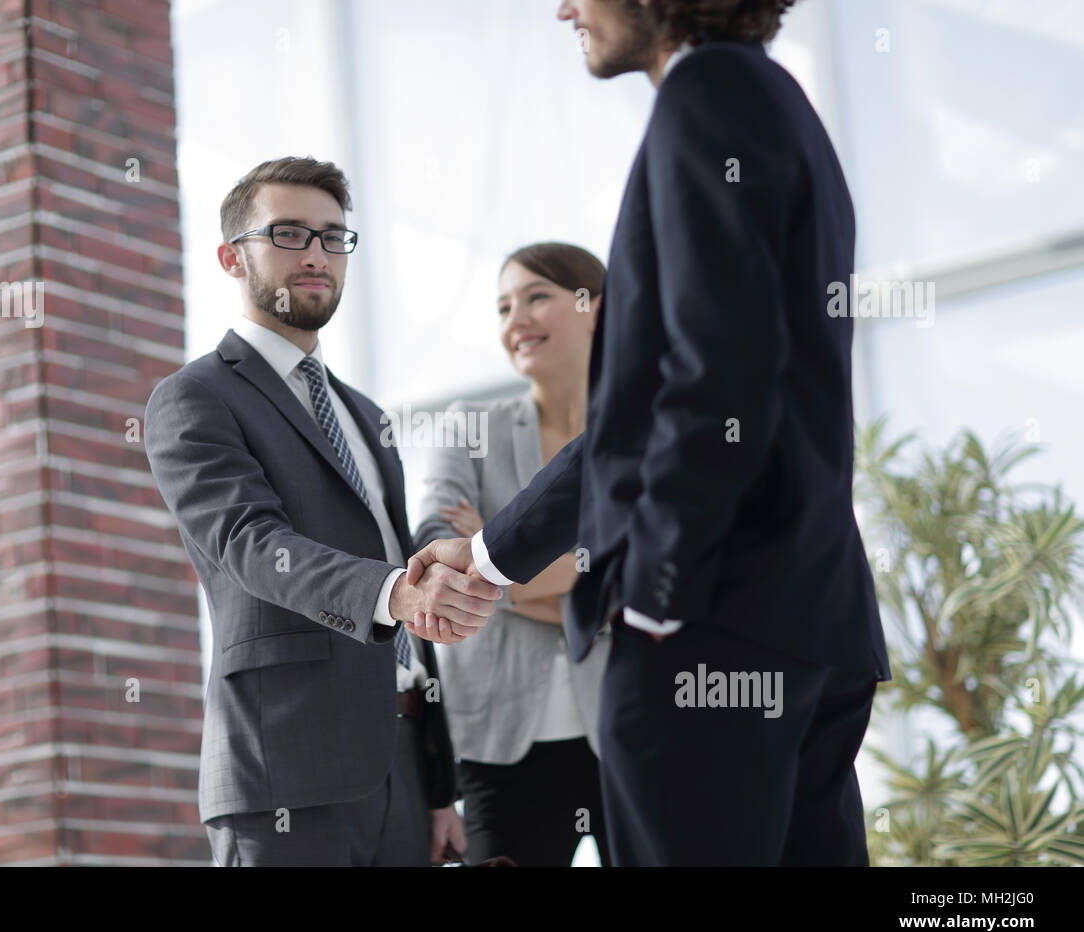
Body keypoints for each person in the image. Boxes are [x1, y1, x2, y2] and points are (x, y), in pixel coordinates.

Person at [407, 0, 891, 866]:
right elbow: (644, 415)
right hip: (802, 614)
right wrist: (486, 558)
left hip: (709, 621)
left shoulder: (704, 98)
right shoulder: (773, 102)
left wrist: (659, 596)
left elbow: (715, 375)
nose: (564, 8)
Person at [144, 156, 501, 865]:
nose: (316, 255)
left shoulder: (365, 415)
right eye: (288, 234)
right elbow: (249, 543)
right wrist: (395, 592)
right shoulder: (196, 398)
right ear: (230, 256)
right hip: (285, 771)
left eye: (333, 237)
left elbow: (408, 604)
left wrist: (437, 787)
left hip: (400, 772)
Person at [412, 242, 612, 866]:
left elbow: (658, 579)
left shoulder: (639, 438)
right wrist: (595, 585)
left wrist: (501, 562)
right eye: (503, 307)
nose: (514, 321)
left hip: (628, 735)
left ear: (594, 309)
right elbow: (439, 562)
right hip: (500, 751)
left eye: (537, 297)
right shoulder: (467, 429)